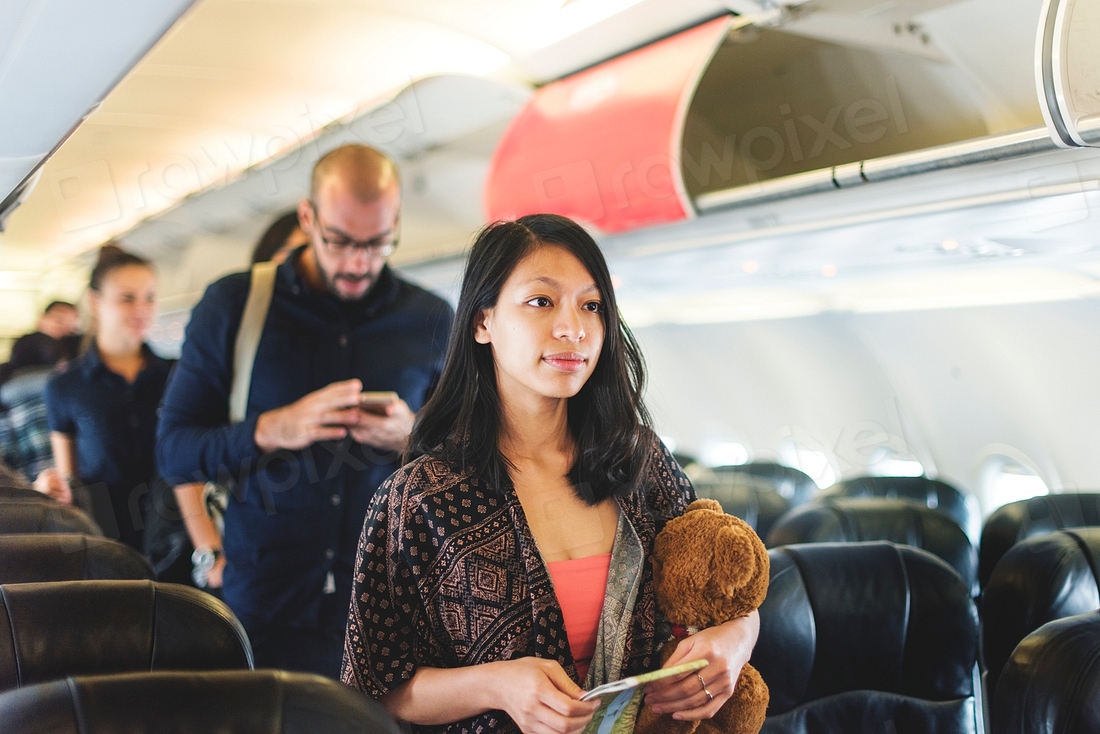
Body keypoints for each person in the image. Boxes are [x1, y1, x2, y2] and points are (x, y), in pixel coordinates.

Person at [342, 214, 760, 734]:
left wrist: (737, 639)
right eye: (541, 302)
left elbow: (725, 593)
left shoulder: (640, 461)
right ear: (482, 322)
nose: (574, 328)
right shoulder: (419, 498)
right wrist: (498, 685)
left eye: (591, 306)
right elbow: (375, 688)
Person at [157, 144, 454, 678]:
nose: (358, 263)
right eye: (339, 241)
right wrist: (272, 429)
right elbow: (174, 450)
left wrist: (411, 438)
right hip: (261, 604)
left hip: (385, 607)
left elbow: (467, 463)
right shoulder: (235, 305)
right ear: (307, 218)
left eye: (378, 243)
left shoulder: (431, 319)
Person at [40, 246, 172, 553]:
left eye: (149, 297)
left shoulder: (178, 375)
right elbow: (70, 479)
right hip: (106, 541)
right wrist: (51, 488)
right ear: (95, 301)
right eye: (127, 298)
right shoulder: (65, 386)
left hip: (173, 534)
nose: (142, 309)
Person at [2, 301, 81, 386]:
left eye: (70, 322)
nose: (62, 325)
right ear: (42, 318)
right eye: (58, 319)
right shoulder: (30, 340)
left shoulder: (74, 344)